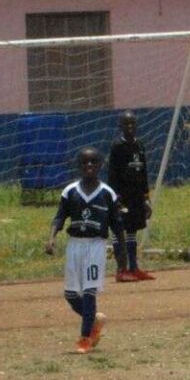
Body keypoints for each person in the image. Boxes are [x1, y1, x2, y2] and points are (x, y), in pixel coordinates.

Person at [45, 148, 124, 355]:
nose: (89, 166)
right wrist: (51, 238)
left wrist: (121, 252)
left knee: (89, 292)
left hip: (95, 245)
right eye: (85, 163)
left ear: (100, 165)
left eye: (93, 162)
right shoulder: (70, 191)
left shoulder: (107, 194)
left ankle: (85, 338)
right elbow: (60, 217)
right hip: (74, 245)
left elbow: (117, 225)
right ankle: (94, 320)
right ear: (79, 166)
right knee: (71, 295)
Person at [106, 112, 154, 281]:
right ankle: (121, 270)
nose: (130, 127)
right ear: (120, 127)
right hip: (122, 196)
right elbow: (112, 175)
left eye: (133, 124)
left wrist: (146, 197)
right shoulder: (117, 146)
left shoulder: (139, 145)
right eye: (126, 124)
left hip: (136, 196)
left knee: (133, 230)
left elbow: (144, 172)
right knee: (119, 231)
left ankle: (134, 268)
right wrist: (115, 198)